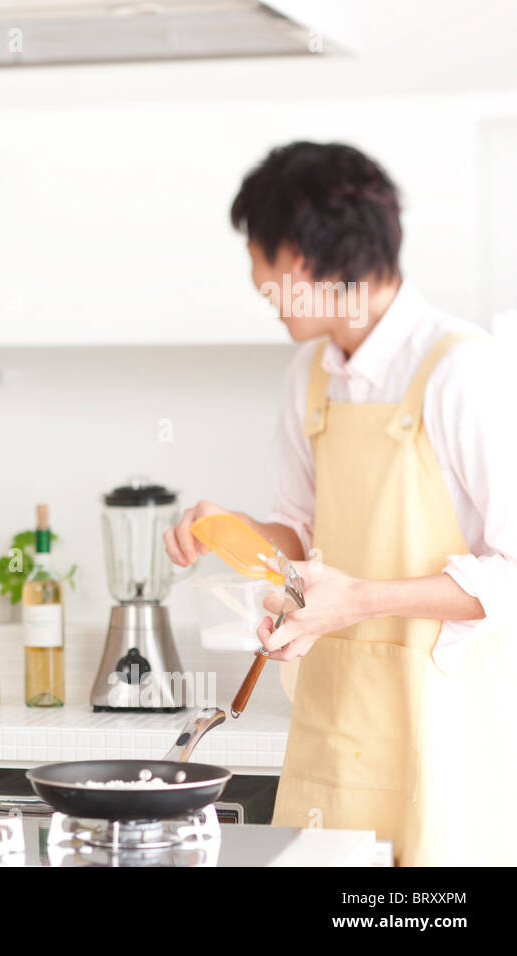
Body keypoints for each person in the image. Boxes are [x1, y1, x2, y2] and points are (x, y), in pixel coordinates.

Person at [164, 142, 517, 865]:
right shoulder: (310, 376)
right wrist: (229, 531)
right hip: (334, 724)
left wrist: (358, 601)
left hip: (444, 735)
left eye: (258, 254)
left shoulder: (462, 371)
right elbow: (301, 536)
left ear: (297, 258)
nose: (258, 279)